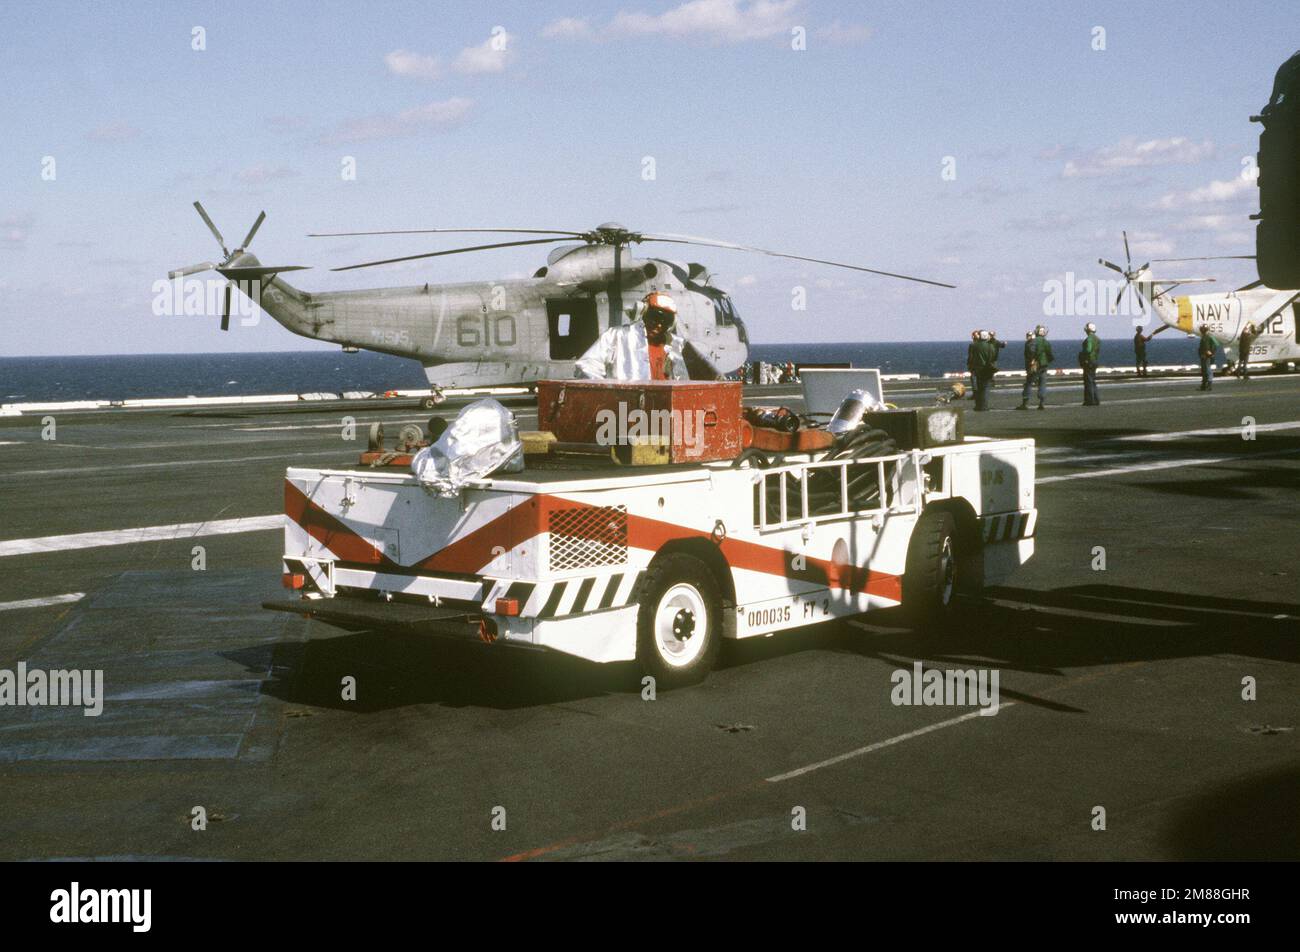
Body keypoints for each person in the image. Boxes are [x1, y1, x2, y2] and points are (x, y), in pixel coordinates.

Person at [575, 291, 715, 381]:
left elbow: (708, 376)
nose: (658, 324)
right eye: (654, 317)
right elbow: (586, 366)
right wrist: (609, 394)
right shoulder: (617, 336)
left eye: (665, 320)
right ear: (643, 314)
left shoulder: (677, 345)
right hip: (625, 411)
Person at [1017, 324, 1054, 410]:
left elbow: (1031, 352)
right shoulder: (1046, 342)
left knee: (1029, 383)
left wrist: (1032, 360)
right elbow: (1050, 355)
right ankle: (1042, 403)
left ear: (1036, 332)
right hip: (1044, 365)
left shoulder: (1034, 341)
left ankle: (1025, 403)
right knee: (1042, 384)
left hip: (1035, 365)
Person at [971, 330, 999, 411]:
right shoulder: (990, 346)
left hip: (978, 369)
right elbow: (993, 357)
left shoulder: (975, 346)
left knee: (979, 387)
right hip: (987, 369)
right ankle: (984, 406)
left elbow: (972, 358)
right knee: (986, 388)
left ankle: (978, 405)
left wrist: (972, 367)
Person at [1079, 322, 1101, 406]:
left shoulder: (1089, 339)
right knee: (1093, 381)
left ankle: (1089, 400)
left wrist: (1082, 354)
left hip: (1088, 361)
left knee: (1088, 381)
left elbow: (1088, 350)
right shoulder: (1097, 339)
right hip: (1095, 360)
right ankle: (1096, 399)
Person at [1197, 324, 1219, 391]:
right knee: (1204, 370)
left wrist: (1211, 352)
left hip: (1206, 356)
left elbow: (1216, 344)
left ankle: (1208, 385)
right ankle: (1204, 385)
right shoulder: (1205, 336)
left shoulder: (1208, 336)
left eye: (1201, 329)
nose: (1201, 330)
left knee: (1207, 370)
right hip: (1204, 356)